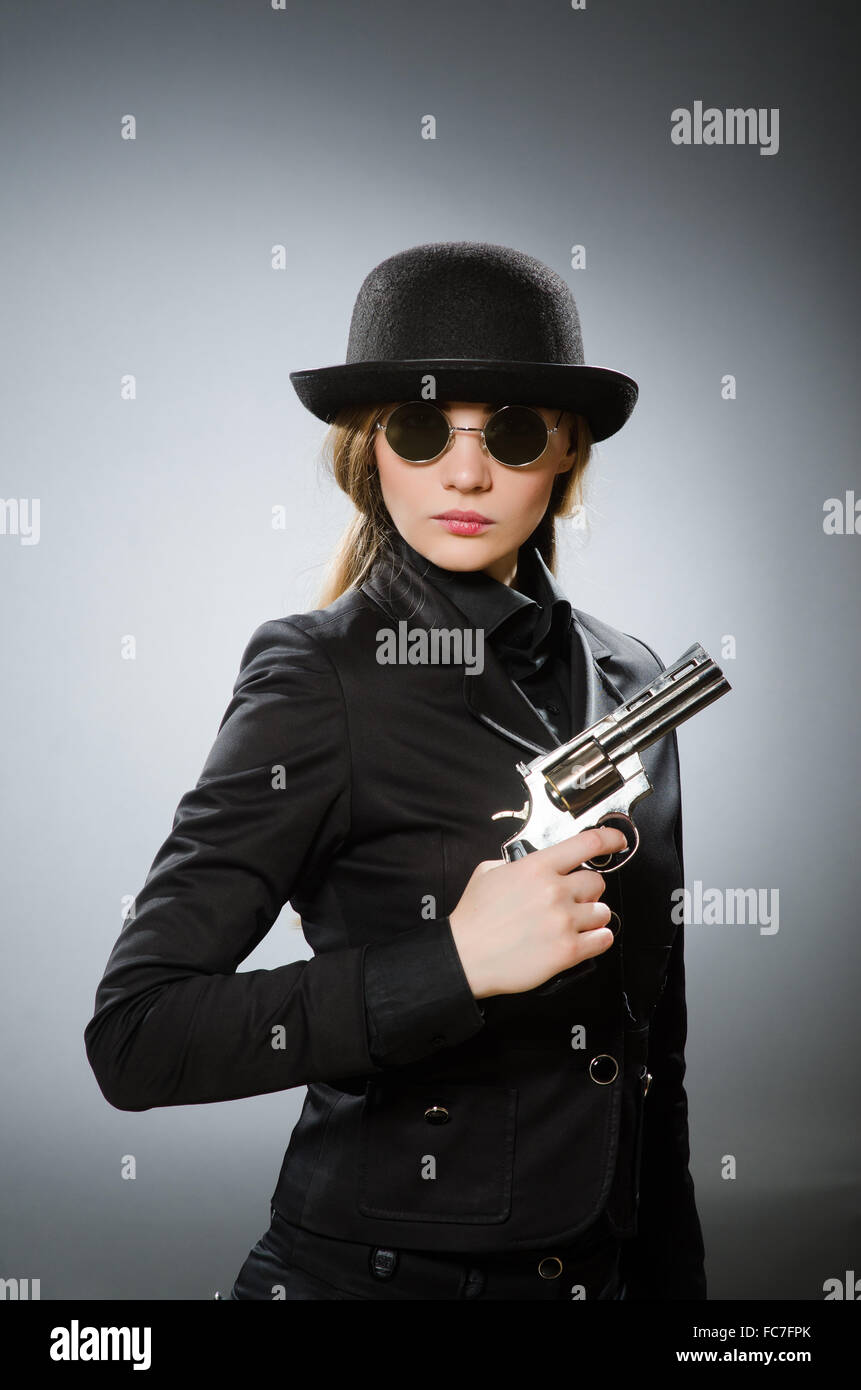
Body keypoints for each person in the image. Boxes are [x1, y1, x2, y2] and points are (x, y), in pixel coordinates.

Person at [84, 241, 707, 1301]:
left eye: (509, 432)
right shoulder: (315, 675)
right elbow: (136, 1036)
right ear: (371, 452)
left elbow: (652, 1056)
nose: (466, 473)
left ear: (564, 452)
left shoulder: (631, 680)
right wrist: (451, 963)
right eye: (424, 431)